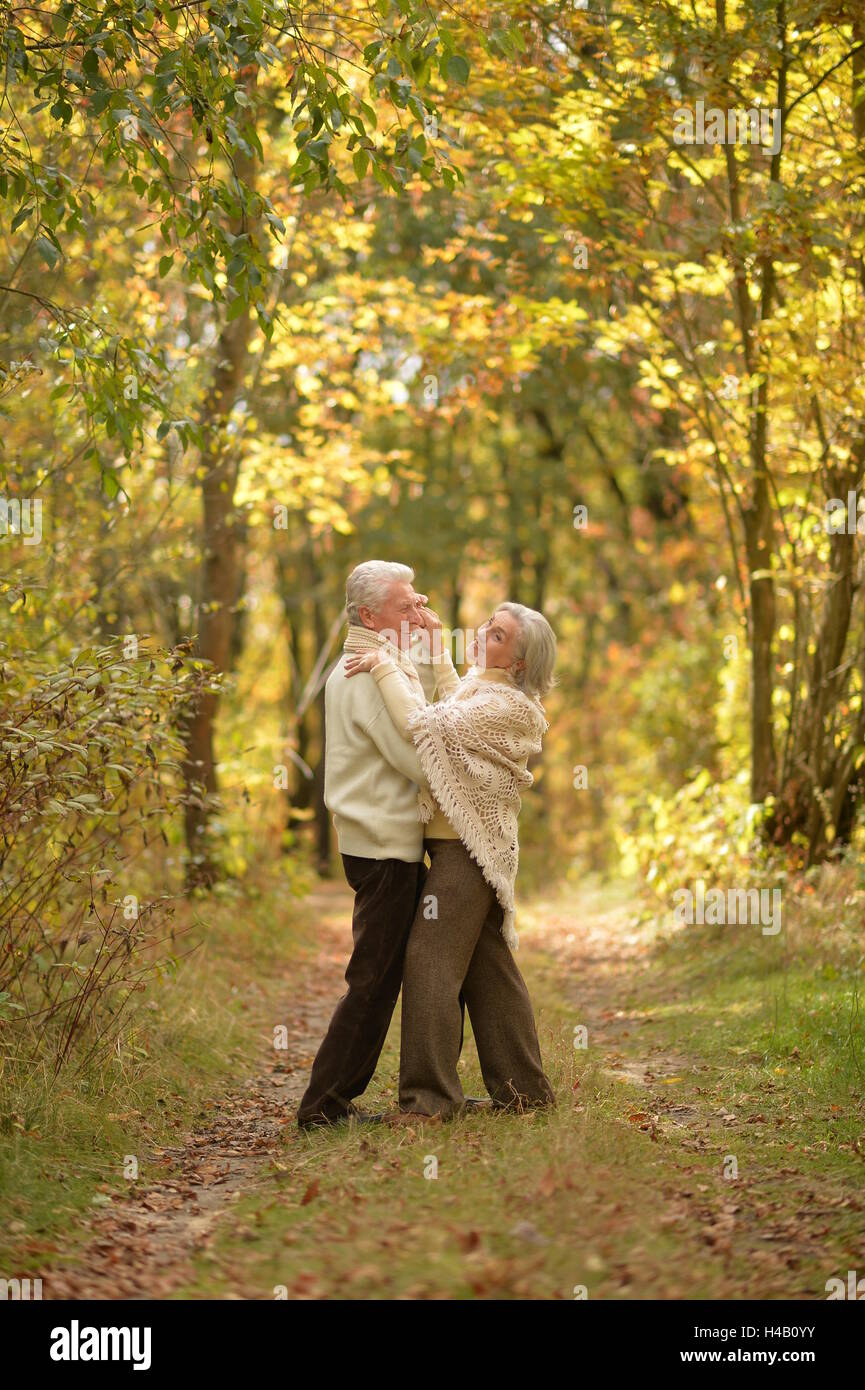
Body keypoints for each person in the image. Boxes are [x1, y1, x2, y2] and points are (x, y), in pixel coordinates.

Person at [344, 602, 556, 1119]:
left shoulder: (511, 707)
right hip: (456, 848)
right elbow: (452, 697)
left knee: (429, 964)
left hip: (468, 853)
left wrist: (384, 666)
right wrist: (437, 641)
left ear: (521, 662)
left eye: (500, 634)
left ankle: (429, 1101)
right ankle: (524, 1092)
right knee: (490, 972)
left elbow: (425, 723)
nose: (485, 633)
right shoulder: (483, 692)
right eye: (489, 624)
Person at [296, 560, 442, 1129]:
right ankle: (323, 1107)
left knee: (384, 974)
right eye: (405, 606)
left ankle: (403, 1093)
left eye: (417, 601)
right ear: (368, 615)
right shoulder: (363, 673)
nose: (419, 613)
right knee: (373, 979)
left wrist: (428, 652)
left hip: (383, 841)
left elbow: (418, 717)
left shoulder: (382, 660)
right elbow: (416, 755)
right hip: (382, 846)